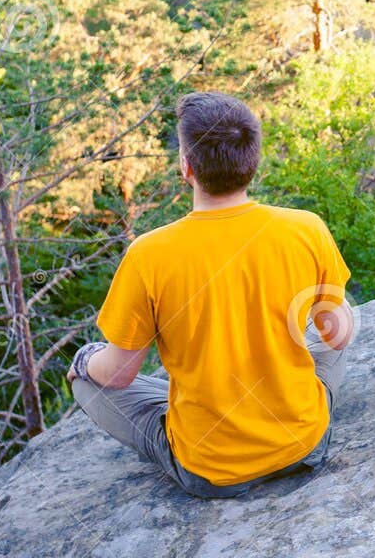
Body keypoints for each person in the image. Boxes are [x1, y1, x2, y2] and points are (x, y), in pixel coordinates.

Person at [66, 91, 353, 497]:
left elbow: (119, 373)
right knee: (335, 331)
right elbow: (336, 335)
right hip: (302, 446)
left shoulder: (149, 254)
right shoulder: (306, 228)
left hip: (210, 470)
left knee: (88, 380)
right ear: (252, 161)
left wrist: (84, 358)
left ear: (186, 167)